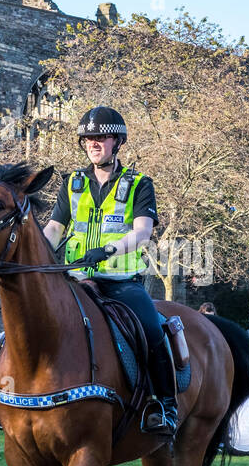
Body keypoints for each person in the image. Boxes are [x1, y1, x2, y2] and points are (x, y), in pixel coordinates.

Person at [42, 105, 176, 435]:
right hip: (76, 278)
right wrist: (38, 255)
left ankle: (165, 405)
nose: (92, 143)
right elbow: (54, 229)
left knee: (151, 328)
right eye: (87, 138)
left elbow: (143, 232)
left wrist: (107, 250)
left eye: (100, 137)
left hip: (120, 280)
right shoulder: (71, 182)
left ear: (117, 141)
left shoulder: (140, 184)